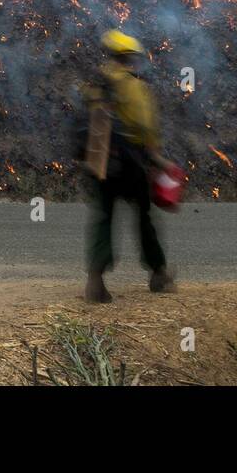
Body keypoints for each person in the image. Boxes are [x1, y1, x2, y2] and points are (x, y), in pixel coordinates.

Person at [83, 29, 176, 303]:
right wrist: (158, 159)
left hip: (99, 160)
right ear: (128, 58)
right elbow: (145, 126)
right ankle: (158, 273)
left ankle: (95, 280)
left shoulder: (95, 85)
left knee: (103, 217)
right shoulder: (134, 87)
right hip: (130, 162)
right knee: (144, 216)